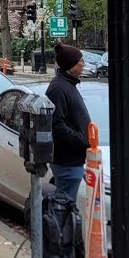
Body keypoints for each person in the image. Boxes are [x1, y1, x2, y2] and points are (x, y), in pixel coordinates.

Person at [47, 41, 92, 201]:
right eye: (81, 61)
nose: (83, 64)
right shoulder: (59, 88)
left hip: (73, 159)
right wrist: (82, 140)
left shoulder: (67, 85)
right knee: (64, 207)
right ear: (71, 65)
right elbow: (57, 125)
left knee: (67, 206)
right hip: (67, 161)